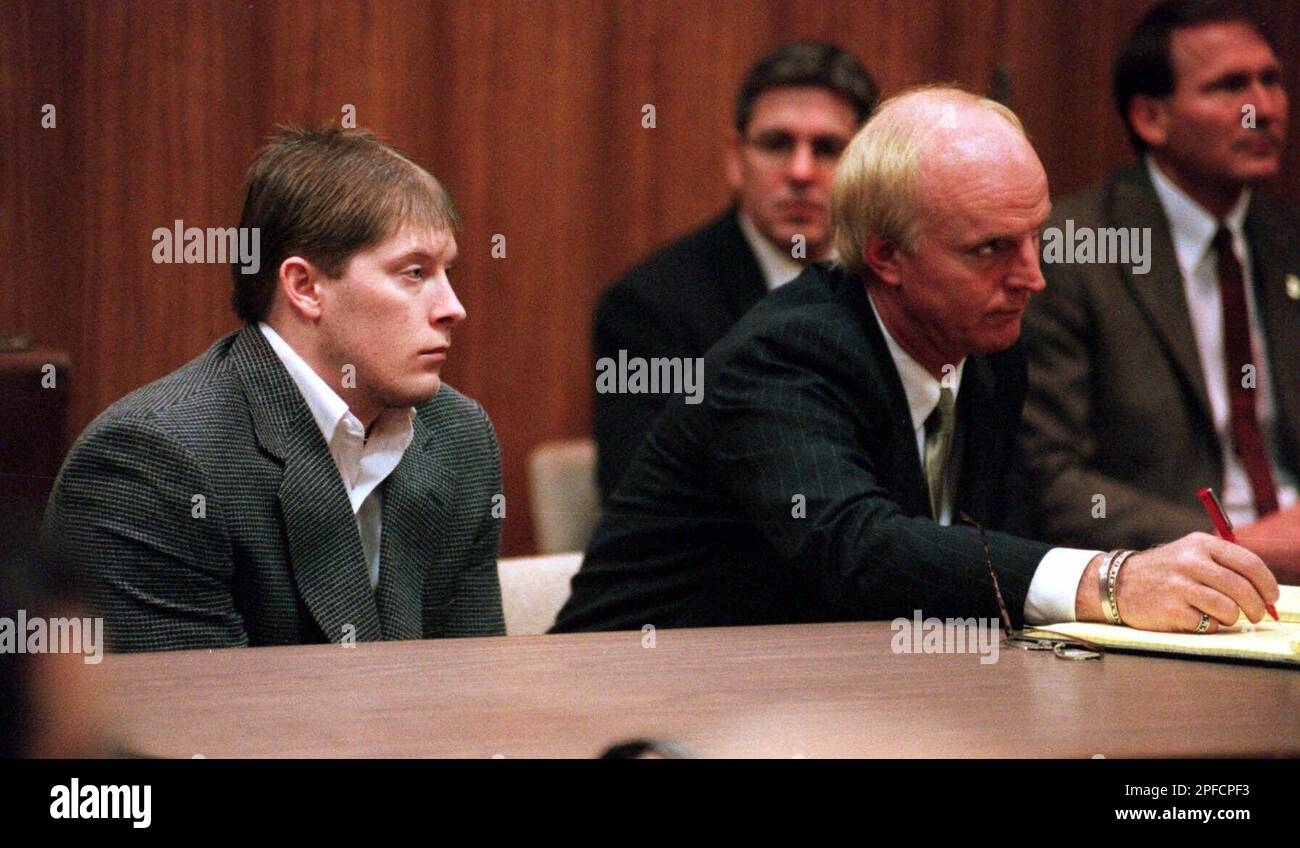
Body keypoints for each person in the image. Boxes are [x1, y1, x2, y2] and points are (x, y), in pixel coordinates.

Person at [554, 87, 1279, 636]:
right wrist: (1109, 580)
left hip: (845, 694)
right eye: (991, 248)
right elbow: (858, 547)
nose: (1034, 277)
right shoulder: (787, 353)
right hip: (641, 691)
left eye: (1034, 237)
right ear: (886, 256)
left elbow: (985, 550)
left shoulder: (990, 346)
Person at [43, 127, 505, 652]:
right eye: (414, 272)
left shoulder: (459, 436)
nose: (453, 307)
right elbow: (197, 723)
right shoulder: (154, 462)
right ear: (306, 287)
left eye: (448, 272)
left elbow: (470, 686)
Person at [1018, 0, 1300, 579]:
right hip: (1172, 573)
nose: (1264, 110)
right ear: (1150, 118)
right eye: (1229, 87)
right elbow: (1049, 480)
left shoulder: (1287, 239)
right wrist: (1232, 544)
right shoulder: (1072, 251)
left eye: (1271, 80)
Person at [593, 41, 878, 499]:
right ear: (735, 158)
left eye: (827, 148)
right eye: (776, 143)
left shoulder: (897, 286)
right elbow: (643, 495)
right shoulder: (649, 307)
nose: (801, 171)